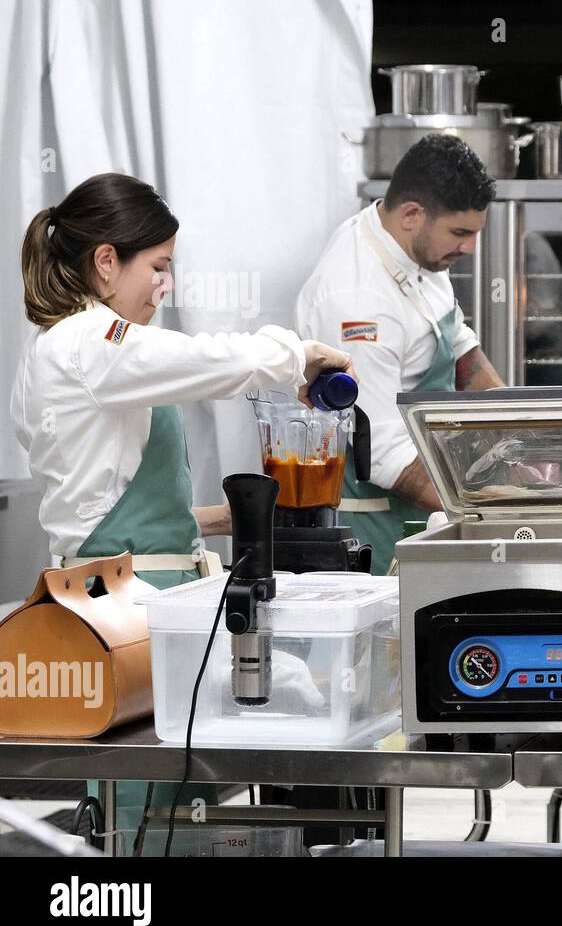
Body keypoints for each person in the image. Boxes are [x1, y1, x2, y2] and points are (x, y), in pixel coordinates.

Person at [12, 172, 355, 837]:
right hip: (120, 614)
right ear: (106, 261)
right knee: (143, 811)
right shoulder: (90, 343)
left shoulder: (81, 351)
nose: (166, 284)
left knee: (165, 804)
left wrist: (238, 520)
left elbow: (108, 506)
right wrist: (299, 355)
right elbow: (204, 358)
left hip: (141, 601)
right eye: (158, 266)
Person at [297, 134, 505, 575]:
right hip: (377, 528)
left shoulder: (419, 254)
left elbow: (458, 345)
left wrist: (521, 431)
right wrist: (493, 514)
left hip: (424, 511)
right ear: (412, 214)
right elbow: (385, 458)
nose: (469, 248)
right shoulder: (357, 298)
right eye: (461, 233)